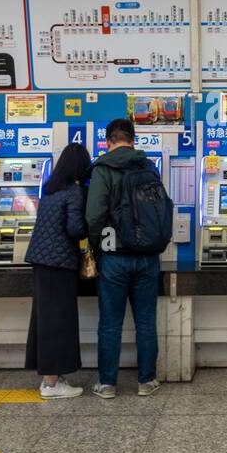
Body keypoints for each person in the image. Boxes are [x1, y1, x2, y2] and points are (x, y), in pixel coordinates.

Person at [85, 117, 161, 398]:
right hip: (147, 255)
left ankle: (107, 384)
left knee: (110, 322)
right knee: (145, 320)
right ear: (133, 139)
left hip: (113, 256)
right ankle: (147, 381)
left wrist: (95, 245)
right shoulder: (148, 166)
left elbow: (93, 215)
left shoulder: (103, 169)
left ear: (108, 141)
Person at [23, 142, 91, 398]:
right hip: (59, 263)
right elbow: (75, 229)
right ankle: (51, 384)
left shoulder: (50, 190)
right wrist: (90, 226)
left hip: (41, 262)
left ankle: (51, 376)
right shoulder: (74, 192)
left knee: (44, 319)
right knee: (58, 322)